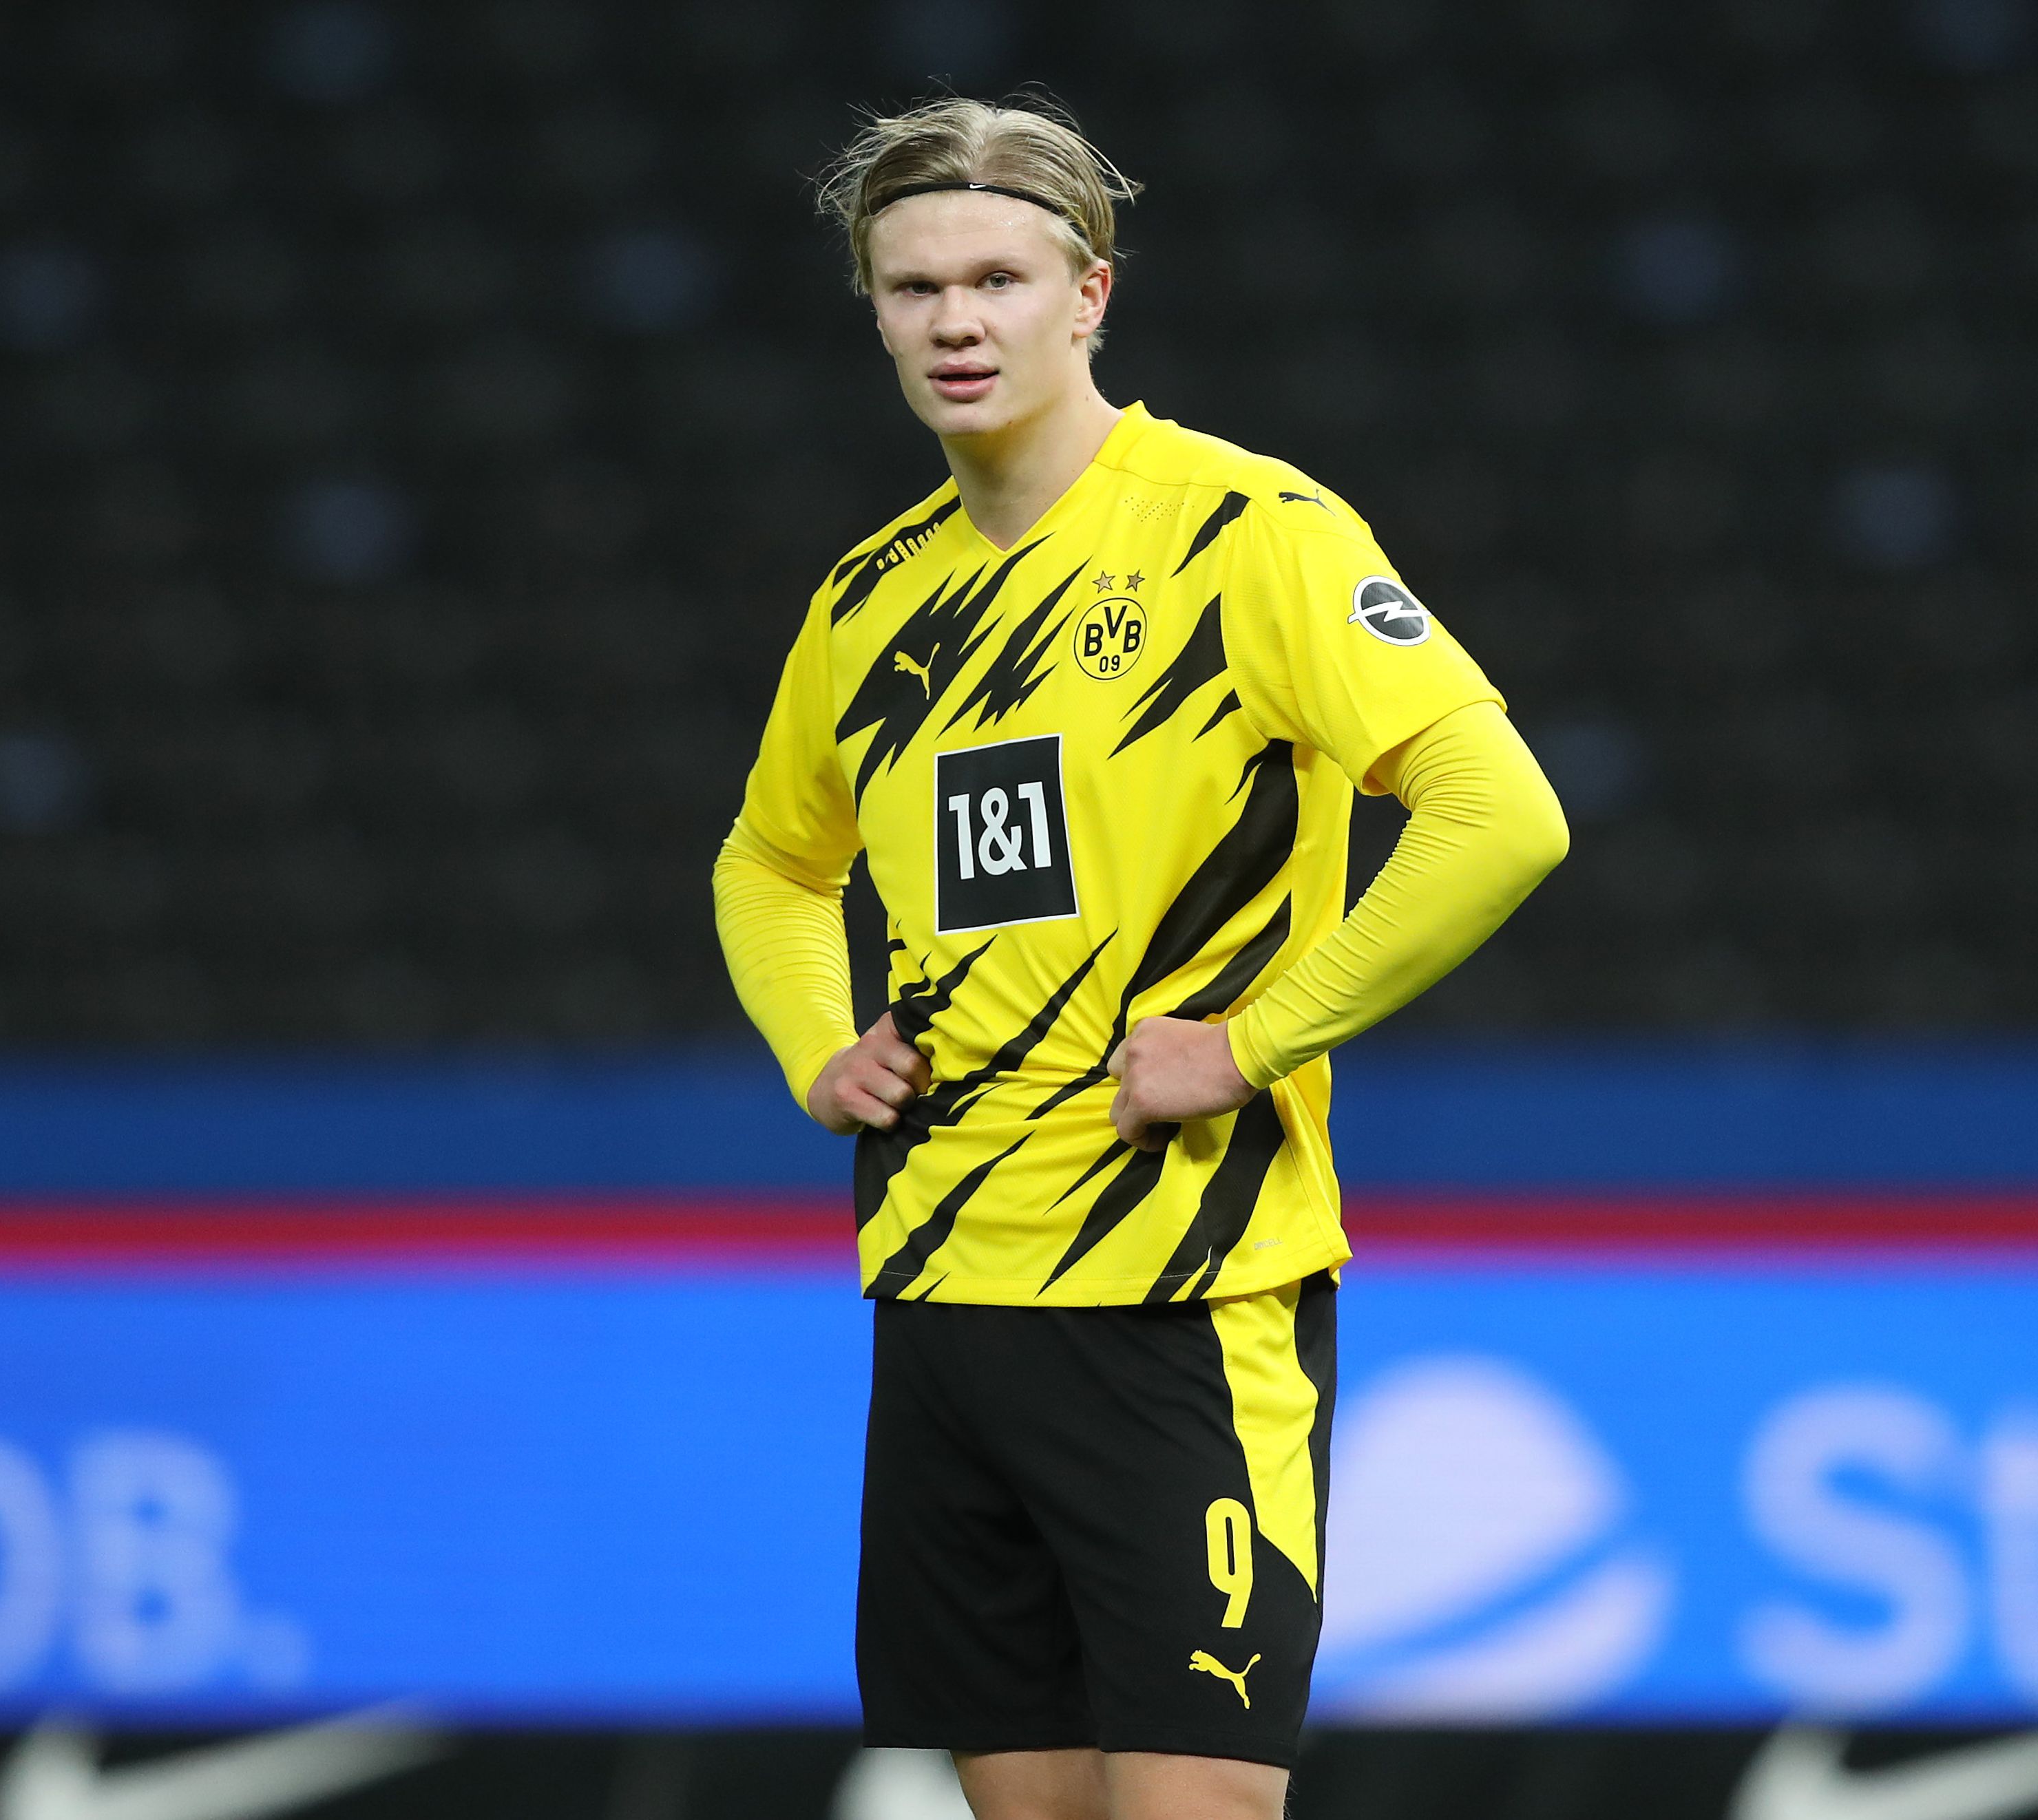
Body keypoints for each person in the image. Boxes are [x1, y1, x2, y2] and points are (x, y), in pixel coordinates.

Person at [711, 96, 1569, 1820]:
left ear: (1089, 293)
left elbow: (1500, 812)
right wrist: (817, 1041)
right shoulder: (871, 599)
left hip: (1180, 1292)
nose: (955, 322)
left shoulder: (1244, 532)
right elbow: (771, 860)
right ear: (873, 312)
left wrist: (1251, 1040)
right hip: (945, 1296)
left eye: (999, 280)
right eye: (913, 287)